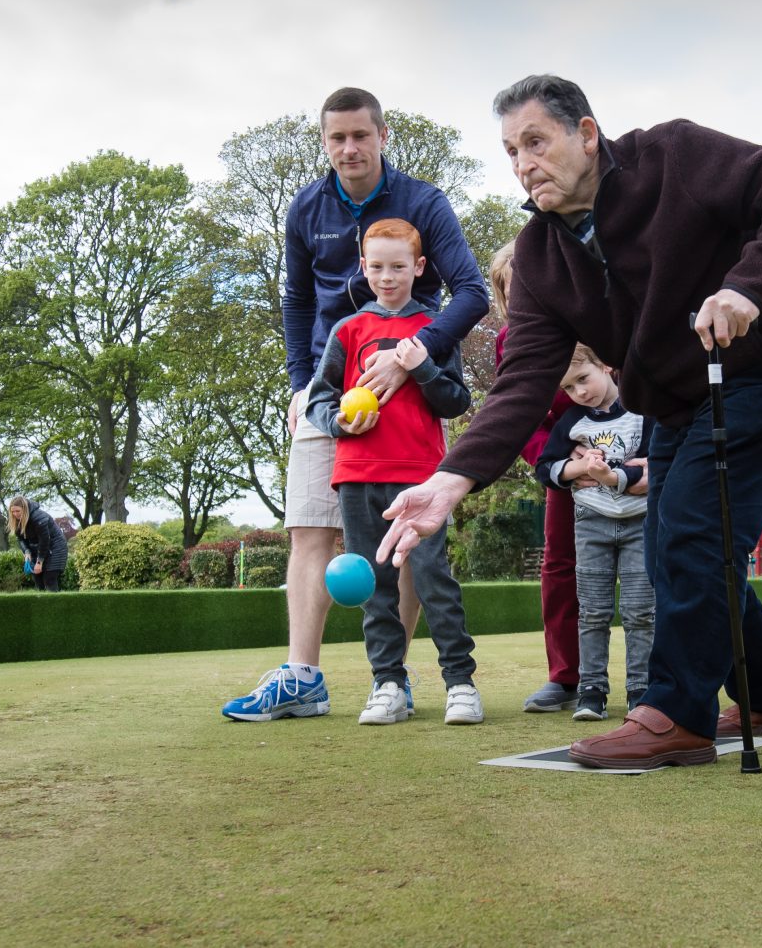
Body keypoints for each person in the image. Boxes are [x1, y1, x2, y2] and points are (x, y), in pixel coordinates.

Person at [377, 74, 762, 770]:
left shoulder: (676, 157)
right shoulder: (537, 258)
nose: (523, 163)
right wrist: (448, 483)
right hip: (682, 397)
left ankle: (674, 714)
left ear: (586, 134)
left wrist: (748, 284)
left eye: (535, 141)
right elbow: (522, 386)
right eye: (510, 151)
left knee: (692, 526)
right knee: (669, 543)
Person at [221, 87, 489, 722]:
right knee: (310, 531)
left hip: (413, 394)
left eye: (360, 136)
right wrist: (300, 385)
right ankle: (304, 678)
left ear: (382, 136)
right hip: (329, 389)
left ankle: (391, 682)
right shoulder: (305, 208)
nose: (349, 148)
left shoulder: (423, 202)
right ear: (324, 142)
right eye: (336, 138)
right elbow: (296, 302)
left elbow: (472, 292)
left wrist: (409, 356)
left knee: (404, 541)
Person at [306, 218, 480, 725]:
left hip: (422, 478)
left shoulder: (434, 330)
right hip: (357, 475)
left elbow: (455, 402)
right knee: (373, 585)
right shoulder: (348, 330)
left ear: (419, 268)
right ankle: (387, 685)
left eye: (398, 267)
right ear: (363, 266)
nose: (387, 276)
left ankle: (461, 684)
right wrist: (339, 421)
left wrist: (422, 365)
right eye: (376, 266)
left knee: (432, 577)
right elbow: (320, 398)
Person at [535, 345, 655, 721]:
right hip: (591, 525)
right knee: (593, 612)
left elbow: (654, 462)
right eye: (570, 388)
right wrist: (576, 470)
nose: (581, 393)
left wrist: (614, 476)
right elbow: (545, 467)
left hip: (640, 523)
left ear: (605, 365)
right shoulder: (570, 421)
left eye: (584, 379)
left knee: (640, 612)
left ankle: (641, 690)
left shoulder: (643, 412)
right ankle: (592, 691)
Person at [489, 242, 581, 712]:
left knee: (653, 561)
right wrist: (559, 463)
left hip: (629, 457)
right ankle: (566, 678)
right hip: (564, 472)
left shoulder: (591, 320)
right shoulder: (511, 343)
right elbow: (523, 415)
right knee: (559, 566)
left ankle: (661, 677)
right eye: (513, 289)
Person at [7, 496, 69, 592]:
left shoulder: (38, 517)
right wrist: (26, 552)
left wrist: (39, 562)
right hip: (37, 549)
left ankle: (54, 606)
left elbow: (44, 540)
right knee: (38, 581)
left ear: (25, 508)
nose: (15, 514)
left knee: (49, 580)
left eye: (18, 511)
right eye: (13, 512)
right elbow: (21, 539)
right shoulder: (17, 520)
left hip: (56, 548)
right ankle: (42, 606)